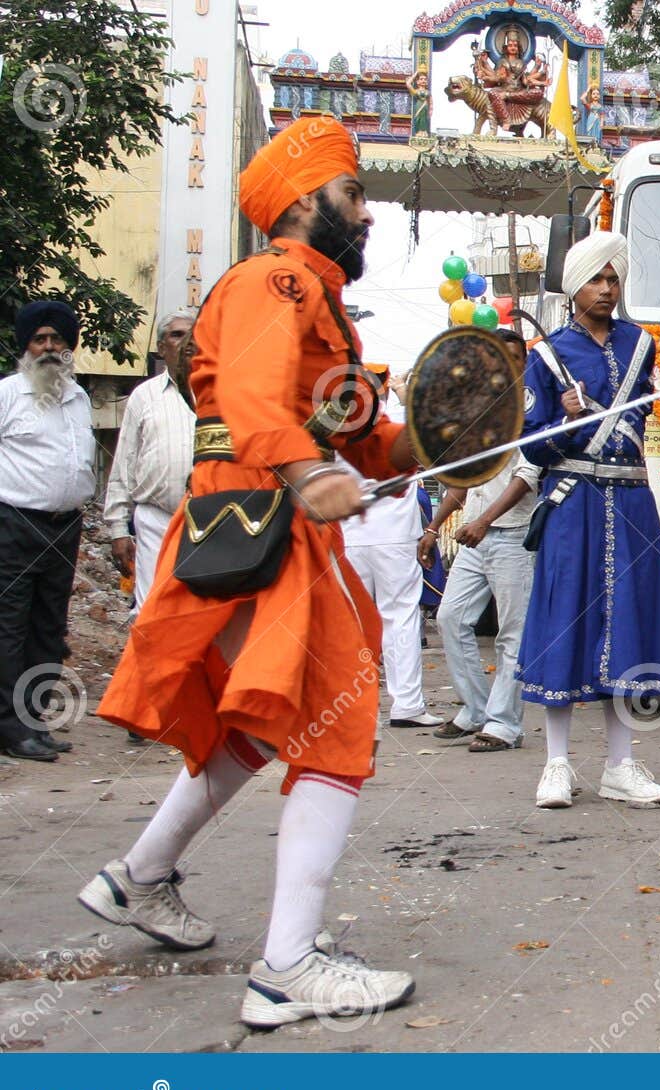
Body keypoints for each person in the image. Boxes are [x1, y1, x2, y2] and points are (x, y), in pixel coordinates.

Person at [82, 115, 420, 1026]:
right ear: (306, 202)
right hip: (265, 514)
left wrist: (420, 446)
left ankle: (140, 875)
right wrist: (310, 472)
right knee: (339, 717)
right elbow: (253, 397)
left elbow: (352, 431)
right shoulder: (277, 278)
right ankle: (287, 967)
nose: (368, 215)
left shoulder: (317, 298)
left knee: (265, 720)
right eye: (355, 196)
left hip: (251, 514)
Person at [518, 232, 660, 807]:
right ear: (575, 286)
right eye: (597, 279)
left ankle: (621, 765)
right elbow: (531, 447)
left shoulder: (642, 345)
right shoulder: (544, 357)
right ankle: (557, 766)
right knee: (564, 620)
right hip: (574, 504)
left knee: (632, 624)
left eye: (614, 279)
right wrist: (560, 421)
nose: (608, 289)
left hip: (632, 503)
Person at [423, 332, 539, 753]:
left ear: (524, 362)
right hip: (476, 535)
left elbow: (527, 478)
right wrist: (433, 528)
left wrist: (485, 521)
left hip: (513, 537)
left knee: (513, 634)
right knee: (450, 618)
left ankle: (505, 725)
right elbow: (464, 480)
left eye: (510, 358)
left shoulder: (534, 410)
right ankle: (475, 710)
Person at [0, 300, 96, 763]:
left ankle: (35, 721)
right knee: (9, 628)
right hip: (14, 523)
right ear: (26, 346)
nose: (49, 347)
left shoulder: (77, 397)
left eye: (57, 339)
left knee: (48, 627)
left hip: (64, 527)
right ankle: (9, 727)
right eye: (40, 339)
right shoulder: (7, 395)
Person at [341, 365, 442, 730]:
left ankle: (349, 708)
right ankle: (407, 704)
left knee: (352, 625)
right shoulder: (401, 426)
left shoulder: (339, 431)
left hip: (351, 536)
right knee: (399, 618)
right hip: (394, 537)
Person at [105, 311, 197, 615]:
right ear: (161, 348)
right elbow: (124, 463)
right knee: (151, 614)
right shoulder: (144, 396)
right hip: (156, 519)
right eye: (177, 335)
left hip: (208, 522)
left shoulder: (219, 393)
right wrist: (119, 528)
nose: (186, 343)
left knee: (200, 614)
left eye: (192, 335)